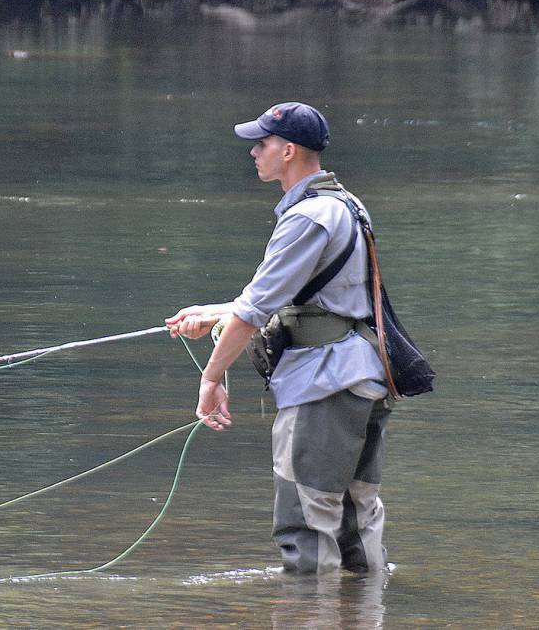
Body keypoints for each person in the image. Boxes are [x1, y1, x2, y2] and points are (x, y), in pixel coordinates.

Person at [165, 102, 392, 574]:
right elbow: (313, 296)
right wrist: (214, 313)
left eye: (262, 143)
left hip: (323, 385)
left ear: (288, 151)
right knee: (355, 519)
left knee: (305, 523)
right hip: (363, 380)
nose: (253, 151)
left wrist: (212, 378)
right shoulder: (345, 203)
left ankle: (310, 615)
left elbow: (253, 312)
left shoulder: (307, 217)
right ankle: (365, 613)